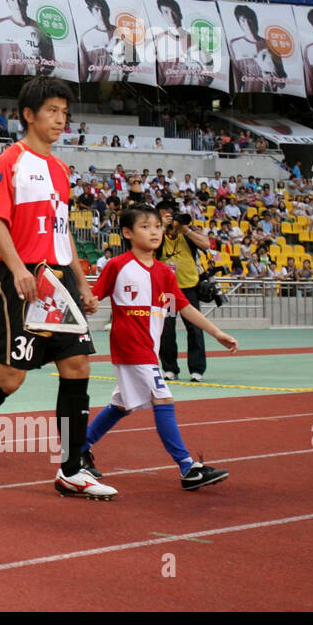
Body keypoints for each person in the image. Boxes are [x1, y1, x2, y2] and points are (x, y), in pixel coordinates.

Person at [0, 77, 113, 498]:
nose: (60, 119)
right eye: (52, 111)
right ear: (28, 115)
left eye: (64, 113)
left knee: (77, 367)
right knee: (11, 377)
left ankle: (71, 468)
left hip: (59, 279)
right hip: (19, 277)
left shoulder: (60, 169)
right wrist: (18, 269)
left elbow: (62, 230)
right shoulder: (9, 161)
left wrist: (82, 281)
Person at [81, 205, 236, 490]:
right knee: (163, 399)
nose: (154, 232)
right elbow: (93, 298)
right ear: (127, 233)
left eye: (157, 226)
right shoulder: (118, 266)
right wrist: (89, 303)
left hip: (147, 350)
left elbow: (184, 306)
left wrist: (216, 332)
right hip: (130, 347)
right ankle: (188, 468)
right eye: (145, 226)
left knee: (122, 404)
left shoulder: (165, 272)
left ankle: (79, 448)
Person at [154, 200, 211, 382]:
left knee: (195, 328)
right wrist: (162, 227)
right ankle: (170, 369)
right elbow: (151, 246)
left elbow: (206, 244)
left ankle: (197, 369)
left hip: (189, 289)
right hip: (168, 292)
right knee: (167, 330)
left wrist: (185, 229)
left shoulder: (187, 234)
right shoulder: (158, 234)